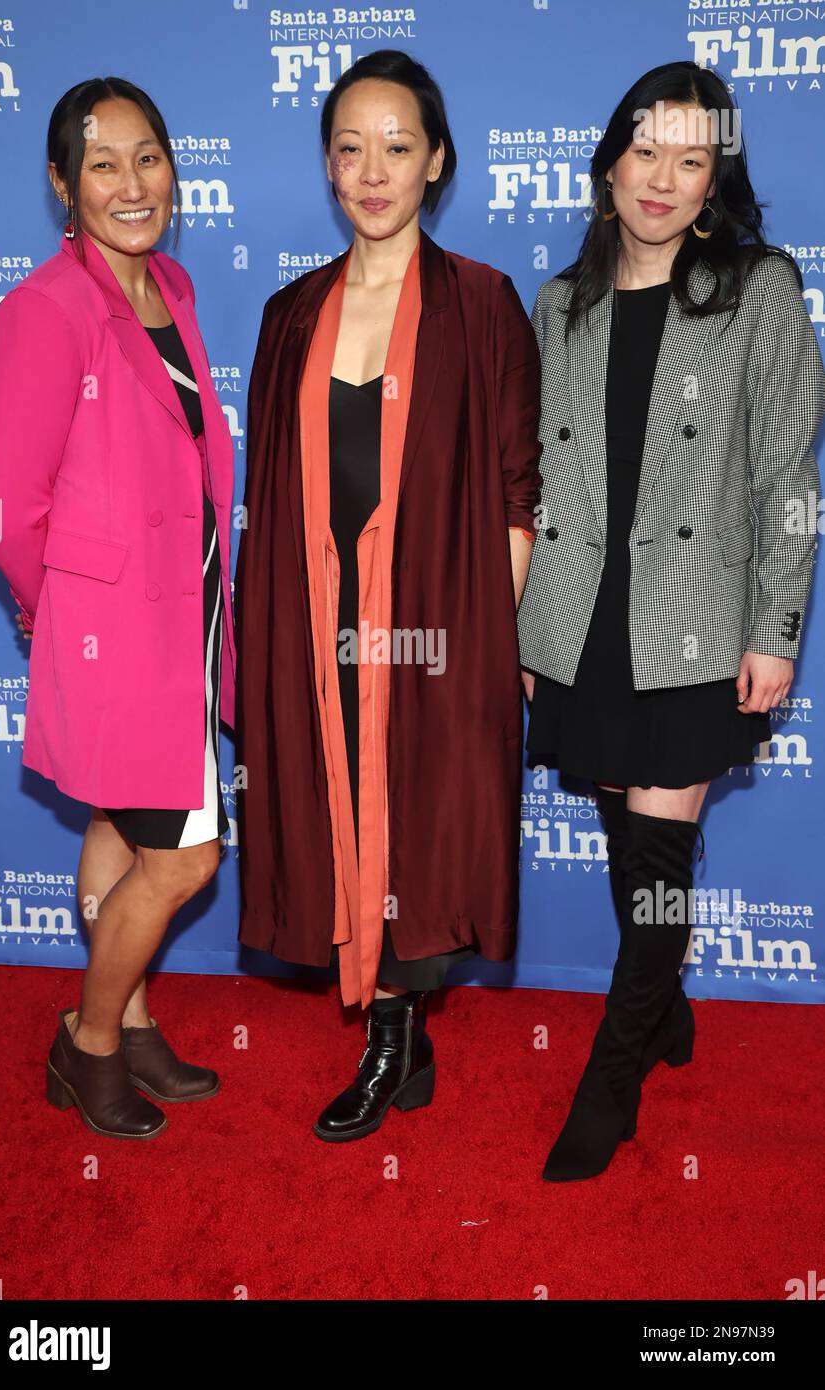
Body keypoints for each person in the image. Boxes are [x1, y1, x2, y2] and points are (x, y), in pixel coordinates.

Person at [518, 60, 825, 1182]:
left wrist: (775, 626)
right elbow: (539, 481)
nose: (661, 179)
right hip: (584, 621)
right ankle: (668, 1004)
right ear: (609, 162)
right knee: (625, 834)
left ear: (714, 181)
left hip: (697, 616)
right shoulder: (560, 302)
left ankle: (611, 1071)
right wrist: (527, 629)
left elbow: (786, 476)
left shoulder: (757, 289)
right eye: (645, 151)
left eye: (690, 160)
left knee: (654, 847)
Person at [234, 49, 541, 1142]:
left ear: (437, 162)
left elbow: (515, 492)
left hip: (439, 627)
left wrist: (481, 653)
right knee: (340, 803)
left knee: (417, 819)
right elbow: (264, 494)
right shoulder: (288, 315)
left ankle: (391, 1033)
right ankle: (395, 1036)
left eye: (397, 148)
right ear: (327, 166)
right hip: (319, 619)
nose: (372, 171)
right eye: (350, 148)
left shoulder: (481, 303)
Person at [0, 78, 237, 1141]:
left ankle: (128, 1018)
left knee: (111, 824)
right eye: (102, 164)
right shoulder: (44, 310)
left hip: (187, 617)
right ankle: (84, 1044)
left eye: (148, 158)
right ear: (61, 184)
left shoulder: (168, 283)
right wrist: (61, 620)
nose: (132, 184)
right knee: (185, 859)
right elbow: (8, 510)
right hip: (112, 634)